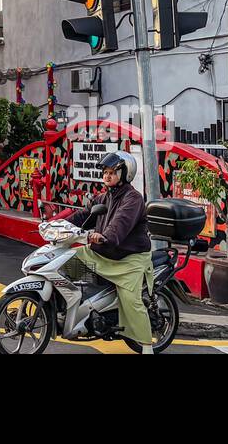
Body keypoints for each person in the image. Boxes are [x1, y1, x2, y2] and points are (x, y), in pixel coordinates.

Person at [68, 151, 156, 354]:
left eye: (112, 172)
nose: (107, 176)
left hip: (128, 259)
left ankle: (147, 345)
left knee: (131, 301)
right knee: (68, 267)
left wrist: (102, 236)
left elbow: (119, 224)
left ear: (125, 174)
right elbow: (83, 215)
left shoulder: (133, 199)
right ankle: (85, 312)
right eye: (105, 172)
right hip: (103, 253)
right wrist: (57, 224)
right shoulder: (104, 196)